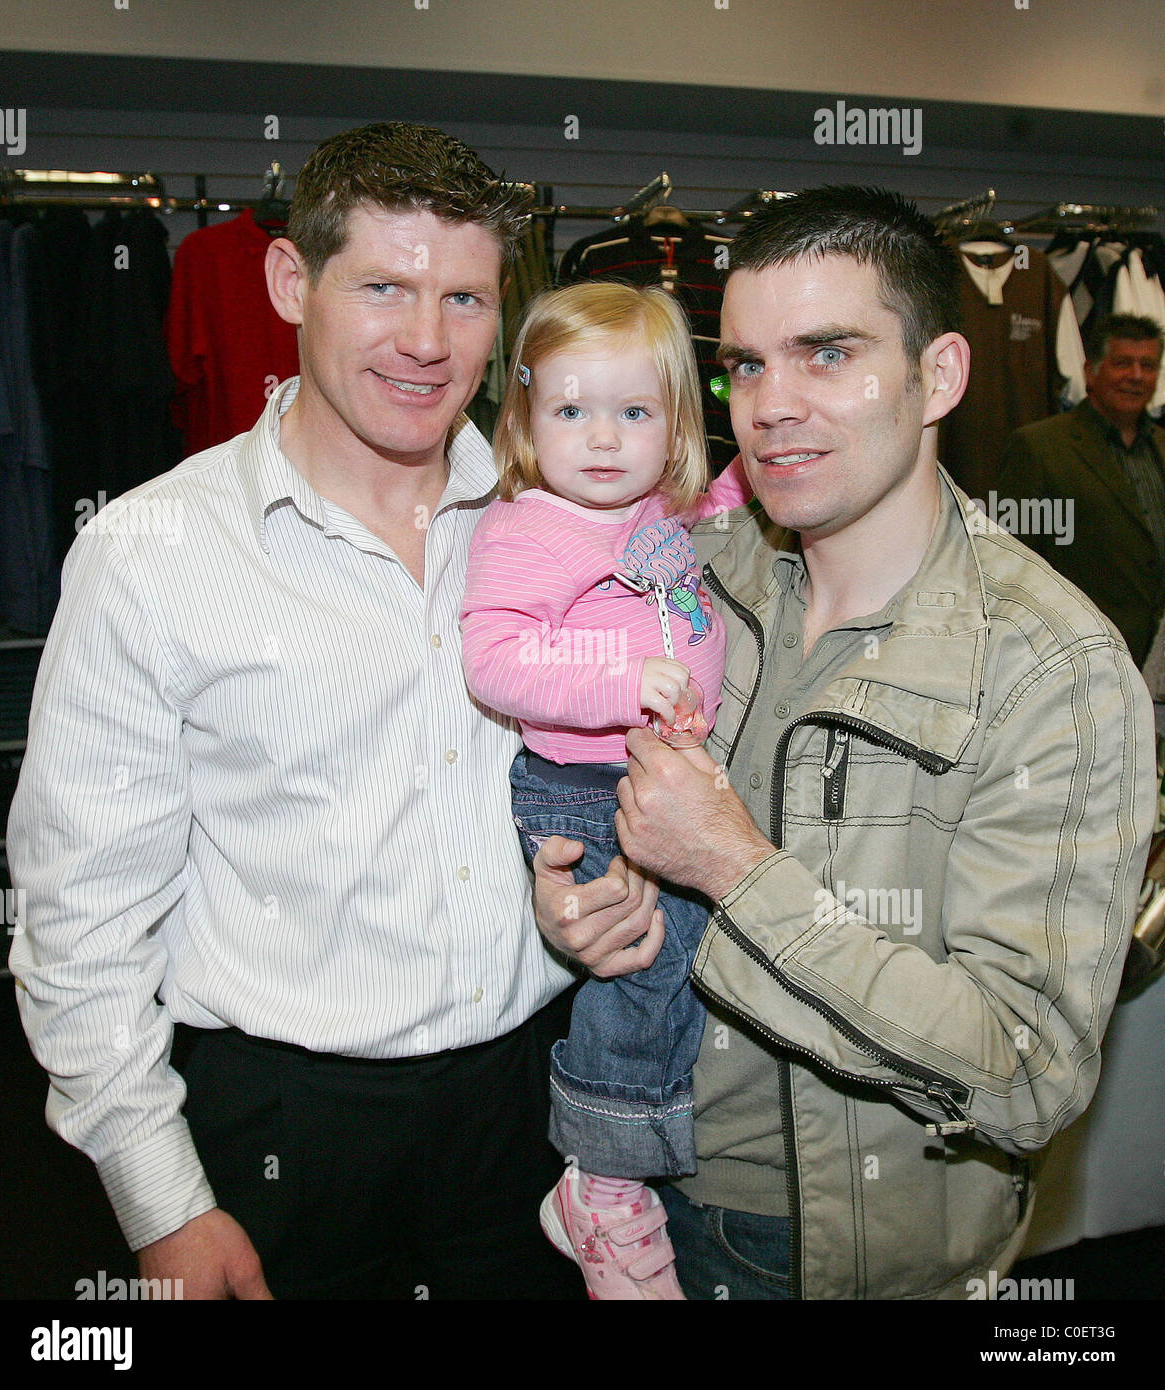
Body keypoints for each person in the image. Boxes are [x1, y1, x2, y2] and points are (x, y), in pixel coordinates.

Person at [530, 185, 1157, 1300]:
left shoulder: (1048, 664)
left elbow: (1023, 1069)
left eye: (826, 354)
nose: (770, 404)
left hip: (836, 1252)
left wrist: (730, 866)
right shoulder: (687, 573)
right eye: (749, 364)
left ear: (941, 377)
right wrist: (588, 899)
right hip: (634, 1193)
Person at [6, 121, 583, 1300]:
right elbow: (80, 909)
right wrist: (161, 1201)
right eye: (383, 286)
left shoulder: (557, 525)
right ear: (289, 283)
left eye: (466, 299)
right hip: (283, 1127)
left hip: (529, 1105)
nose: (427, 341)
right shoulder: (150, 551)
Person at [461, 280, 750, 1299]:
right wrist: (618, 683)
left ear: (673, 420)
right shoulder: (528, 526)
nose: (600, 438)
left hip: (661, 773)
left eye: (633, 412)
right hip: (580, 785)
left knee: (678, 966)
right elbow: (492, 662)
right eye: (569, 410)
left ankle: (625, 1150)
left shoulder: (668, 508)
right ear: (525, 420)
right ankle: (603, 1173)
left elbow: (740, 492)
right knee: (645, 961)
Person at [997, 314, 1165, 683]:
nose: (1136, 376)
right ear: (1091, 372)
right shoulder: (1040, 448)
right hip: (1079, 660)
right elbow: (1013, 566)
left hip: (1157, 663)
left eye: (1148, 365)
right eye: (1122, 363)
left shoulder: (1161, 446)